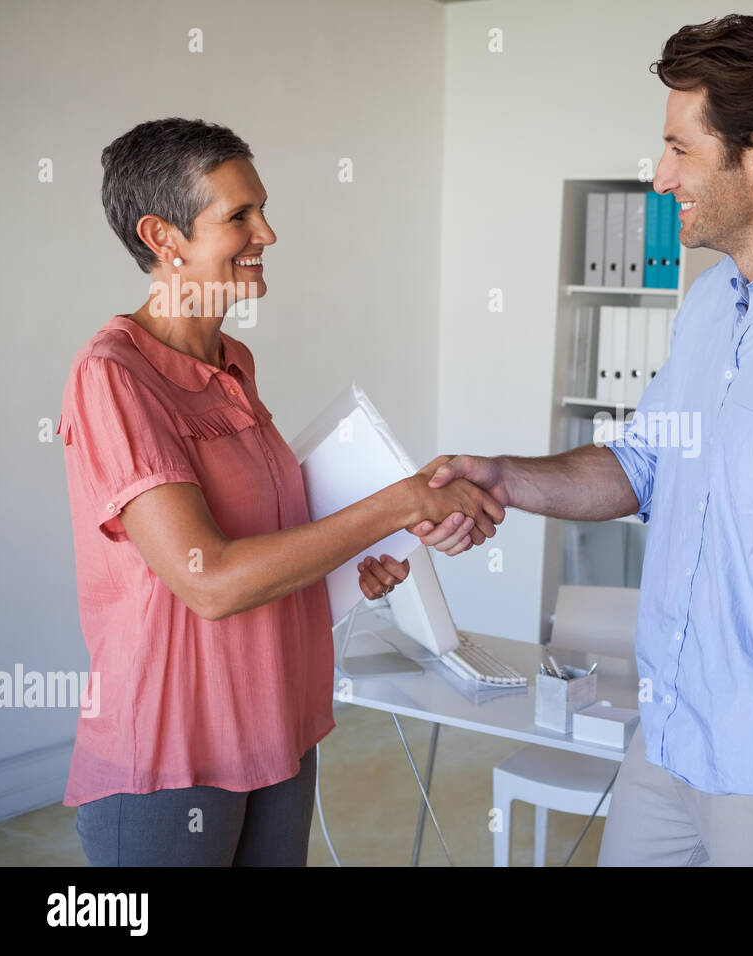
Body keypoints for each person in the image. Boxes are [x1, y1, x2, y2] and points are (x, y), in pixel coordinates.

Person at [396, 14, 753, 867]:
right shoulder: (710, 304)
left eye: (679, 149)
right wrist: (502, 477)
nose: (660, 177)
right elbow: (641, 466)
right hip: (663, 744)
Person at [60, 117, 503, 866]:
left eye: (260, 208)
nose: (267, 231)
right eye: (238, 216)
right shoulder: (113, 375)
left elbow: (260, 547)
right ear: (163, 238)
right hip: (176, 744)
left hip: (278, 724)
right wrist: (396, 504)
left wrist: (353, 561)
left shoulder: (235, 362)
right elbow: (212, 582)